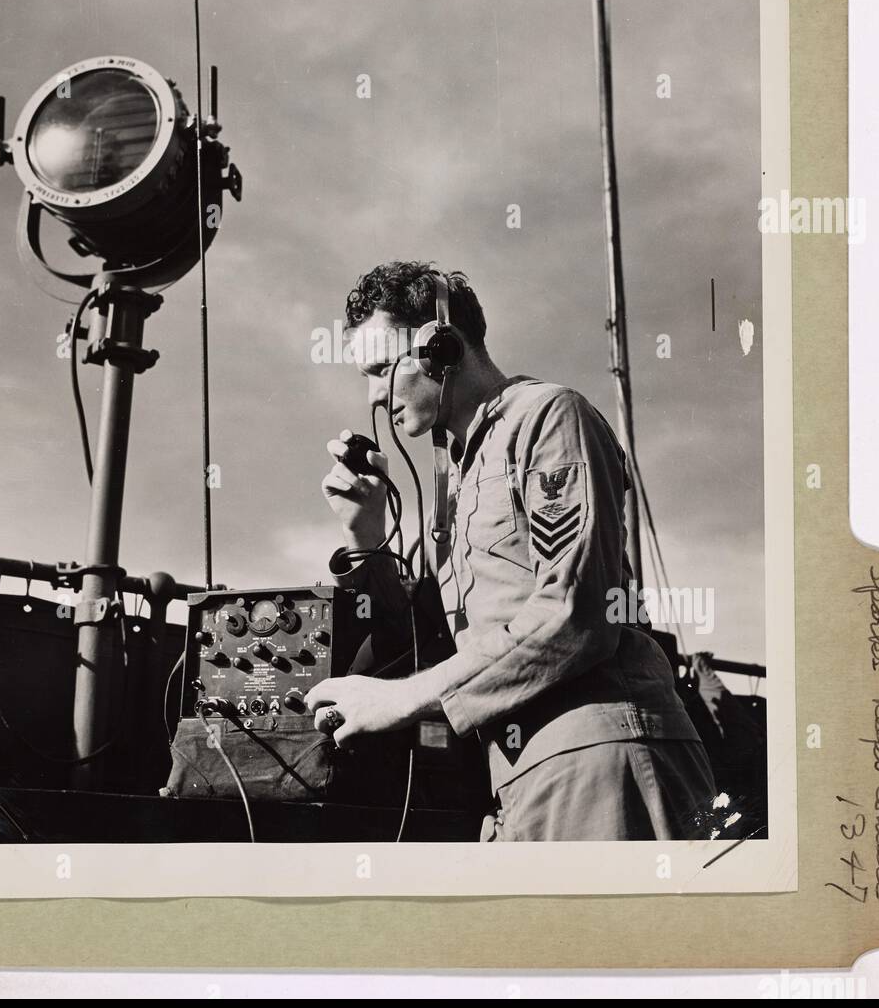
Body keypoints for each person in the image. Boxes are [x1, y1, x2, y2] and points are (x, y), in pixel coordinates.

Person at [306, 261, 717, 841]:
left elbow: (573, 614)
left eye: (379, 370)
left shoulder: (549, 417)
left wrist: (397, 702)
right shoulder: (450, 487)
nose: (373, 396)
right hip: (513, 781)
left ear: (438, 345)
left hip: (598, 758)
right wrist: (366, 537)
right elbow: (417, 648)